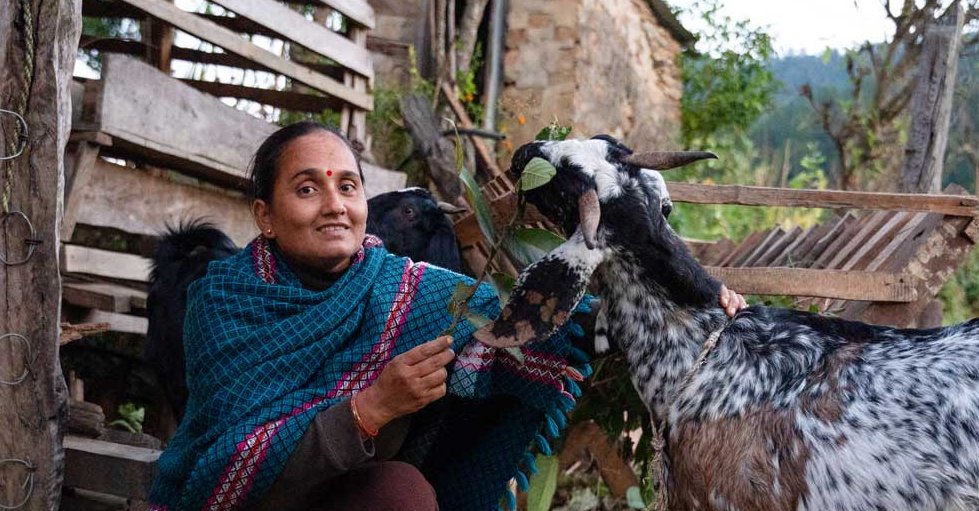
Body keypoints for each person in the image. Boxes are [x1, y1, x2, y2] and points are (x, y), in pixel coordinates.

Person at [147, 121, 746, 511]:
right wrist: (371, 409)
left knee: (402, 493)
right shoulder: (225, 306)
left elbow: (529, 329)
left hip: (356, 496)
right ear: (265, 215)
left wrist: (691, 305)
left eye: (349, 187)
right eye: (308, 190)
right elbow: (227, 473)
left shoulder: (404, 289)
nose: (335, 206)